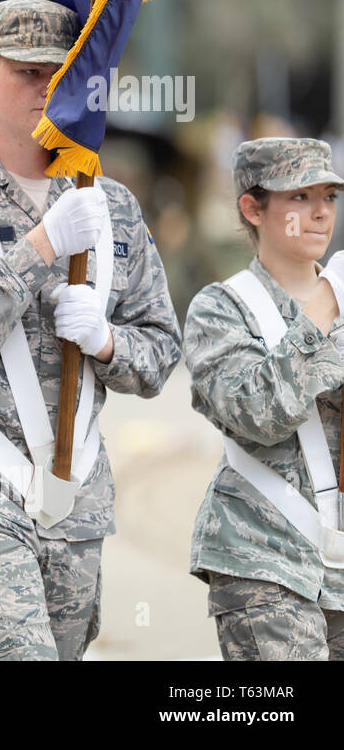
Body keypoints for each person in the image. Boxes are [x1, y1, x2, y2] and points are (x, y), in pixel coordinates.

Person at [0, 0, 182, 660]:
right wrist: (40, 246)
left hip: (72, 494)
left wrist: (107, 343)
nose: (48, 89)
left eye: (63, 73)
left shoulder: (112, 206)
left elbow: (161, 352)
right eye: (28, 72)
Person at [184, 138, 344, 660]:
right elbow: (257, 412)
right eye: (299, 197)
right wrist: (326, 306)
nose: (321, 212)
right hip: (262, 552)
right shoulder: (221, 309)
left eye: (329, 196)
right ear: (252, 208)